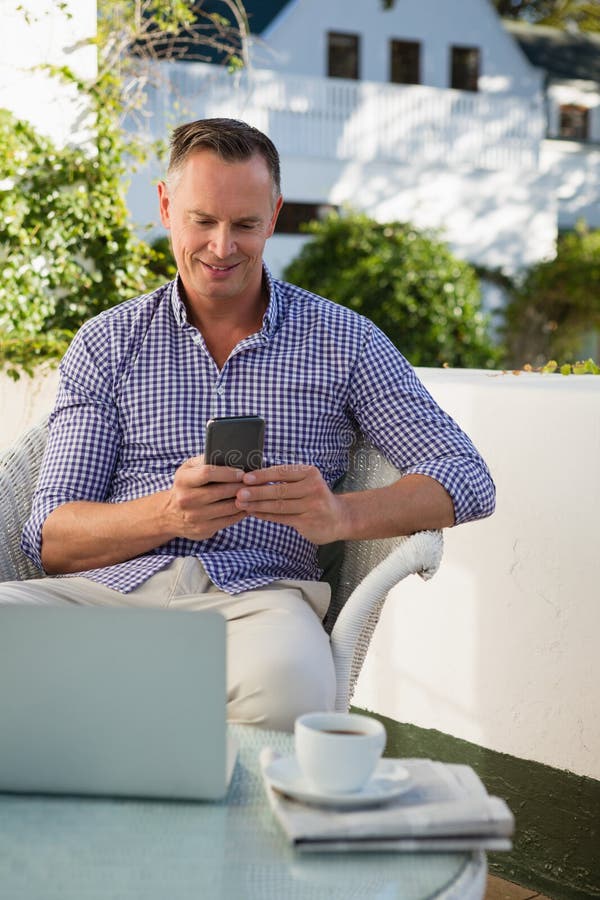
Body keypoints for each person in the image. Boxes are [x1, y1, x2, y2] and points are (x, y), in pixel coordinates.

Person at [1, 118, 495, 731]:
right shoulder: (108, 343)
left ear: (276, 213)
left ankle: (224, 822)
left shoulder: (343, 341)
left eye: (245, 224)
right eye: (202, 221)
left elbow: (468, 479)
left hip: (256, 606)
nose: (221, 246)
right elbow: (49, 541)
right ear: (165, 205)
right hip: (108, 597)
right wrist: (169, 514)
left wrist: (340, 516)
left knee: (290, 687)